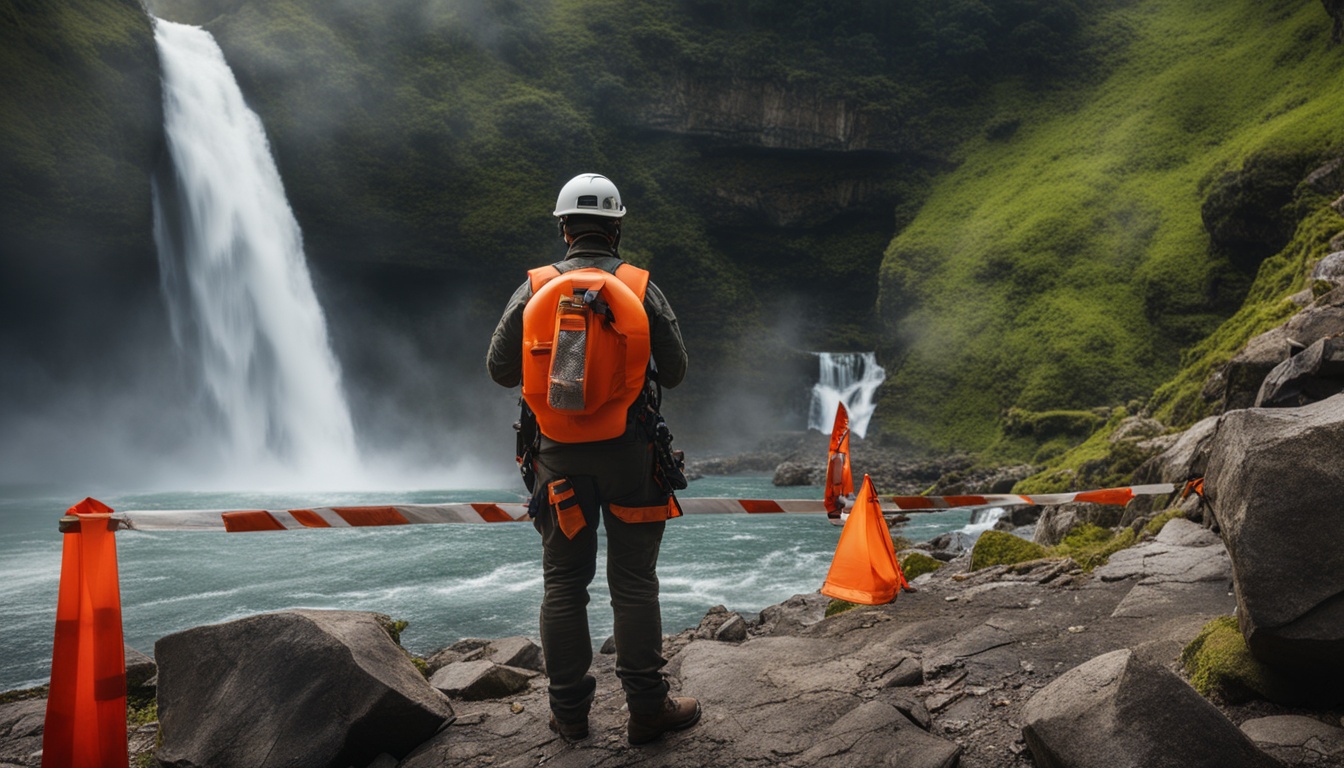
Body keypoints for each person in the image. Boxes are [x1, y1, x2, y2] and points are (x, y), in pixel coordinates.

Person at [486, 173, 700, 745]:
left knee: (563, 585)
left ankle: (570, 716)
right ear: (618, 226)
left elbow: (500, 369)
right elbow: (675, 373)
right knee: (633, 584)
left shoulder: (534, 287)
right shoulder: (640, 286)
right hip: (632, 458)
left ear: (563, 229)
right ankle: (648, 711)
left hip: (557, 463)